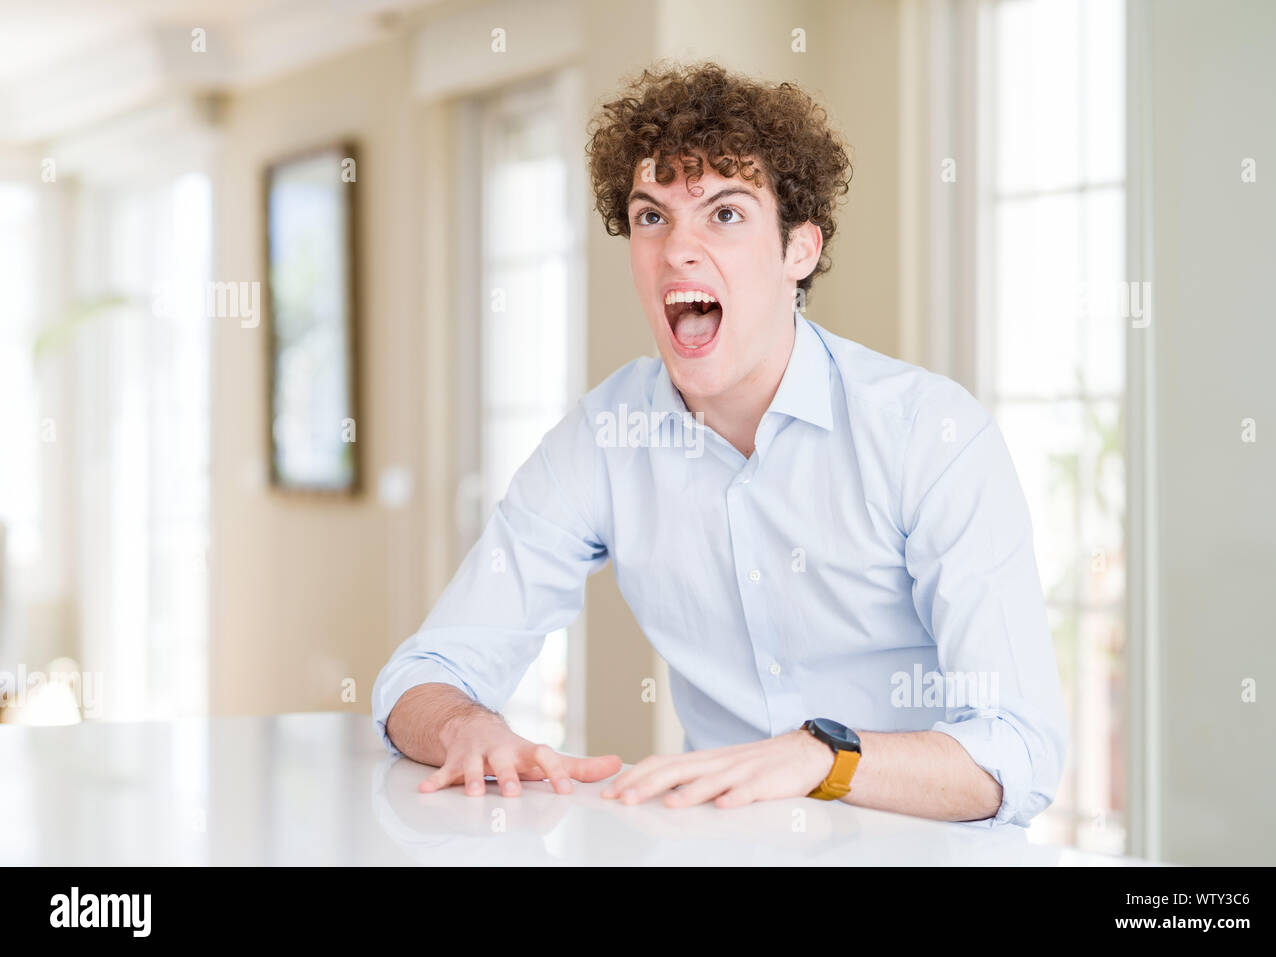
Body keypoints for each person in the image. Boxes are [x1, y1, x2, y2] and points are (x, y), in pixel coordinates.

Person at [373, 60, 1067, 826]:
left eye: (725, 215)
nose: (678, 251)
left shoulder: (929, 436)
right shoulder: (605, 440)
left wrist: (820, 756)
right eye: (651, 216)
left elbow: (1019, 751)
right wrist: (468, 725)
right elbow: (424, 671)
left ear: (799, 250)